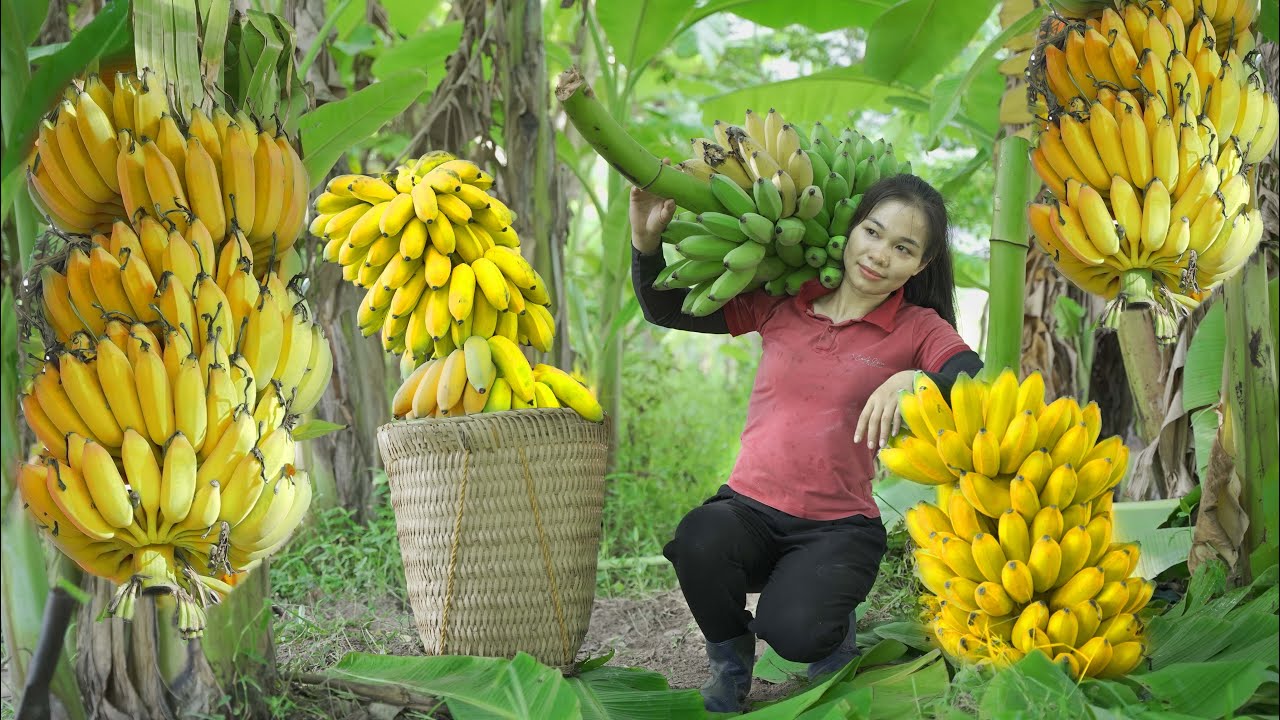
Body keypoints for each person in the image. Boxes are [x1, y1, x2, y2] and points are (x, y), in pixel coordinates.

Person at [628, 172, 984, 712]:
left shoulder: (917, 327)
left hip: (838, 529)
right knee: (699, 539)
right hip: (749, 511)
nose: (880, 254)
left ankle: (830, 624)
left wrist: (915, 378)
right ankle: (730, 665)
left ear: (921, 265)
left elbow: (968, 373)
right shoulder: (784, 302)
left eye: (903, 248)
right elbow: (668, 309)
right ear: (851, 230)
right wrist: (646, 241)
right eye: (873, 232)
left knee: (794, 632)